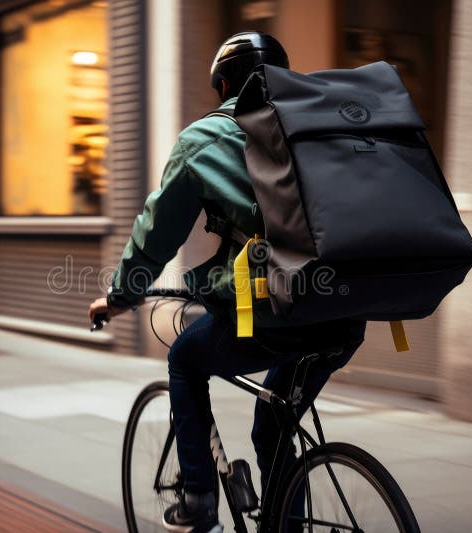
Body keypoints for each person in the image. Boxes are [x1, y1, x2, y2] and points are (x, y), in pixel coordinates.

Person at [89, 32, 366, 532]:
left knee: (185, 358)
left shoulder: (206, 139)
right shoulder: (321, 126)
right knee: (275, 426)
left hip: (277, 313)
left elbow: (158, 232)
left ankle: (198, 495)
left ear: (222, 85)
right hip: (347, 310)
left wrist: (120, 296)